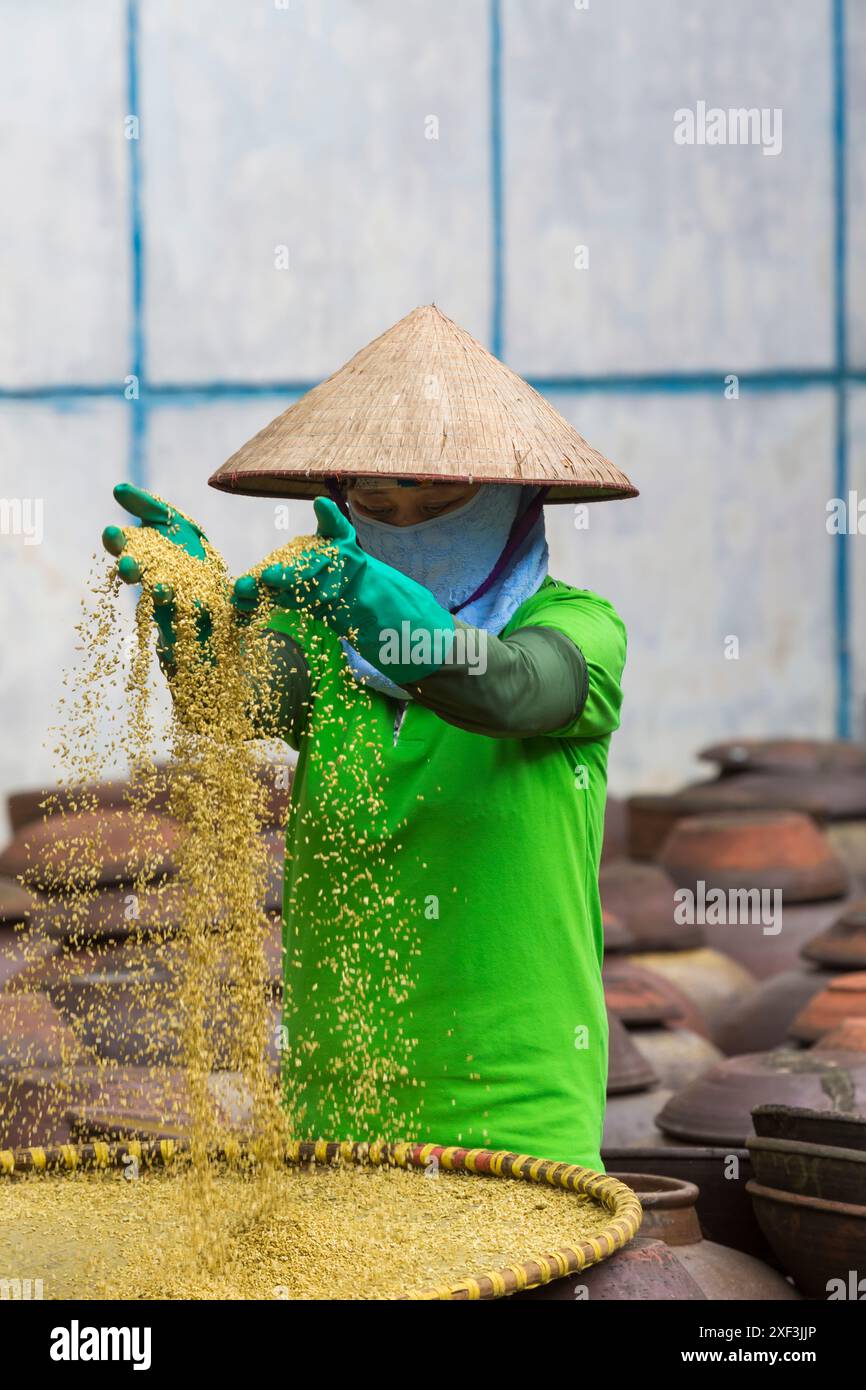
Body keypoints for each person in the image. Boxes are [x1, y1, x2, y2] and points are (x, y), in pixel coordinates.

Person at [104, 467, 626, 1170]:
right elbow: (231, 703)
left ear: (514, 504)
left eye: (440, 506)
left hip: (516, 1112)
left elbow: (511, 689)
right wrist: (199, 628)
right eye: (377, 507)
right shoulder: (321, 642)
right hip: (333, 1113)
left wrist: (378, 605)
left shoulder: (577, 628)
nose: (406, 528)